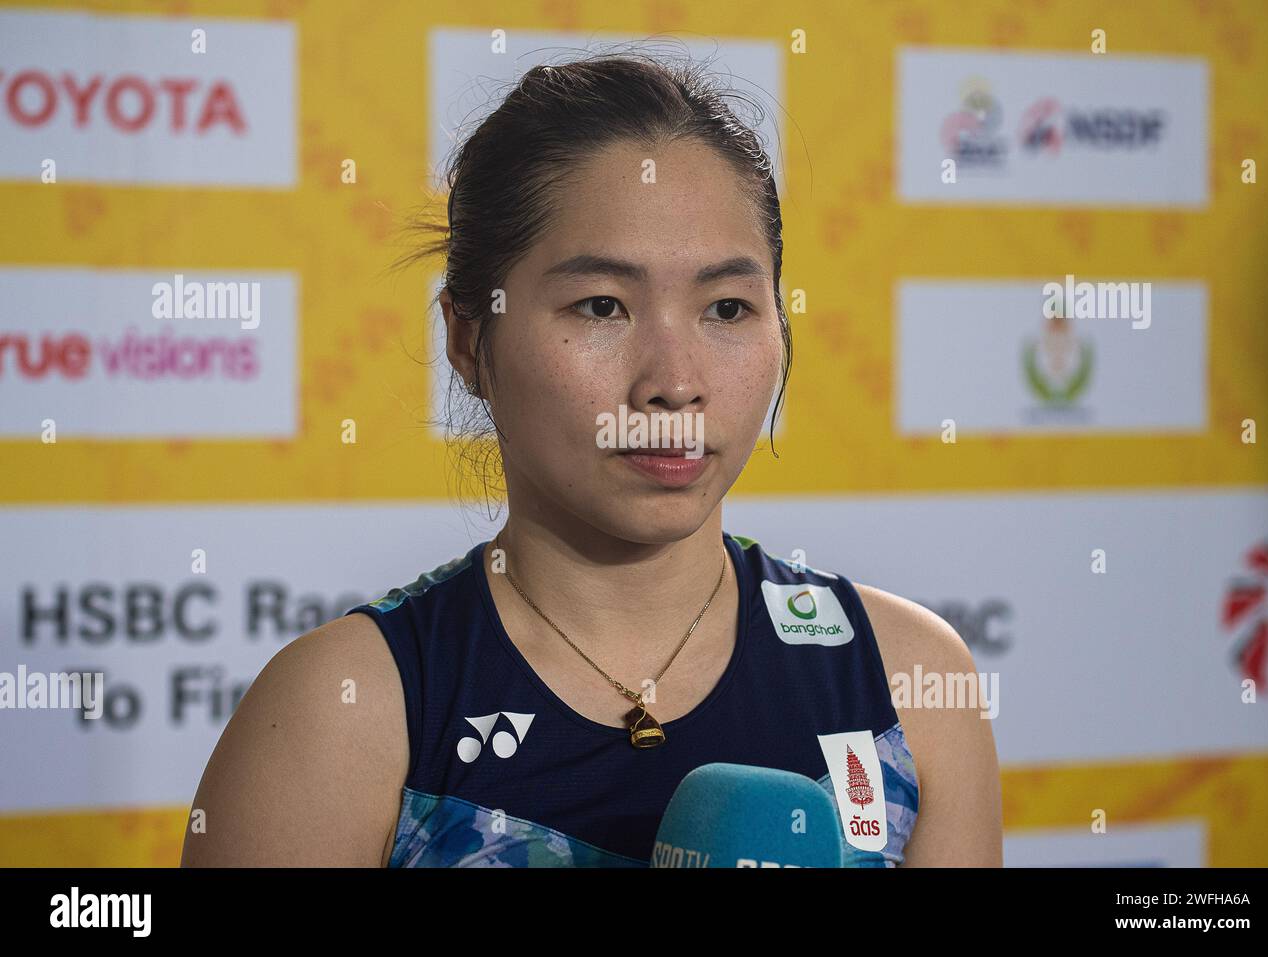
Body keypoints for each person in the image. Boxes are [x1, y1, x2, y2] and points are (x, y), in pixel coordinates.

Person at [180, 51, 1001, 868]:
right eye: (602, 306)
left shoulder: (911, 679)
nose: (675, 383)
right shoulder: (343, 713)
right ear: (468, 338)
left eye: (726, 307)